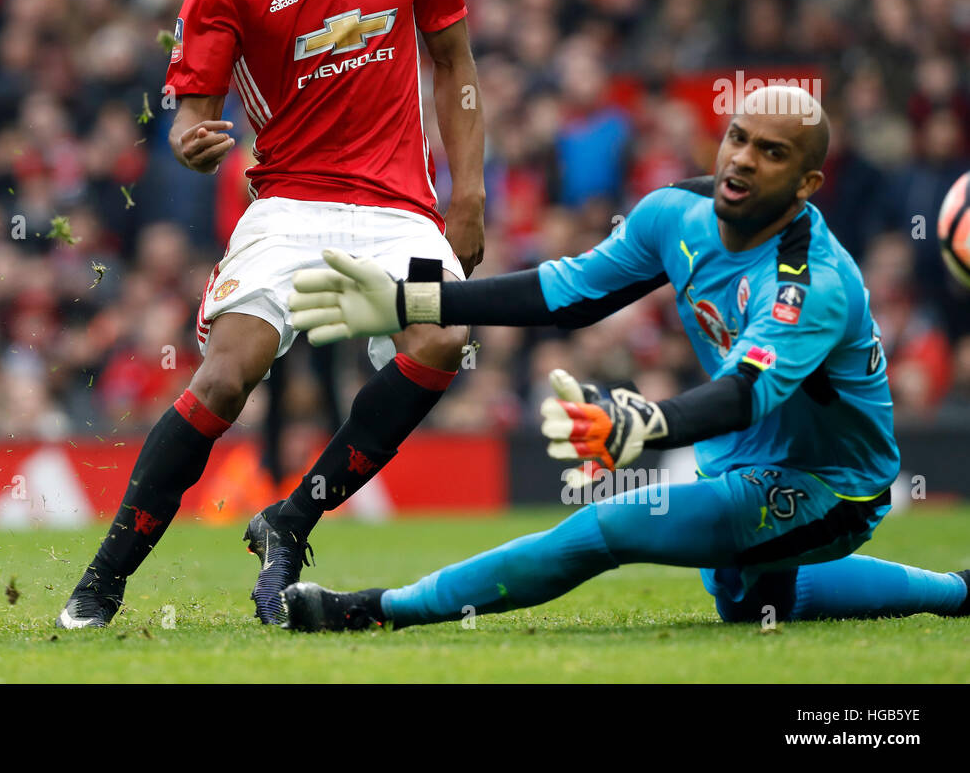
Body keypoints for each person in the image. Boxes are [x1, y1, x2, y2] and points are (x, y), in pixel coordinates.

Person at [280, 86, 970, 630]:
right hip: (741, 454)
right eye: (737, 138)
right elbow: (569, 294)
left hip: (830, 485)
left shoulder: (810, 284)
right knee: (748, 607)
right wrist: (412, 302)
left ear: (808, 183)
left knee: (610, 525)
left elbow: (744, 393)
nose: (742, 160)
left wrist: (647, 422)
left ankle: (376, 610)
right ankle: (957, 592)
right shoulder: (676, 213)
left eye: (772, 152)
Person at [58, 0, 485, 628]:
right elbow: (191, 110)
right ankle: (106, 575)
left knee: (443, 341)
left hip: (399, 202)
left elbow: (456, 64)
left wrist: (467, 191)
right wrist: (188, 138)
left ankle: (292, 518)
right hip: (290, 203)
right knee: (225, 379)